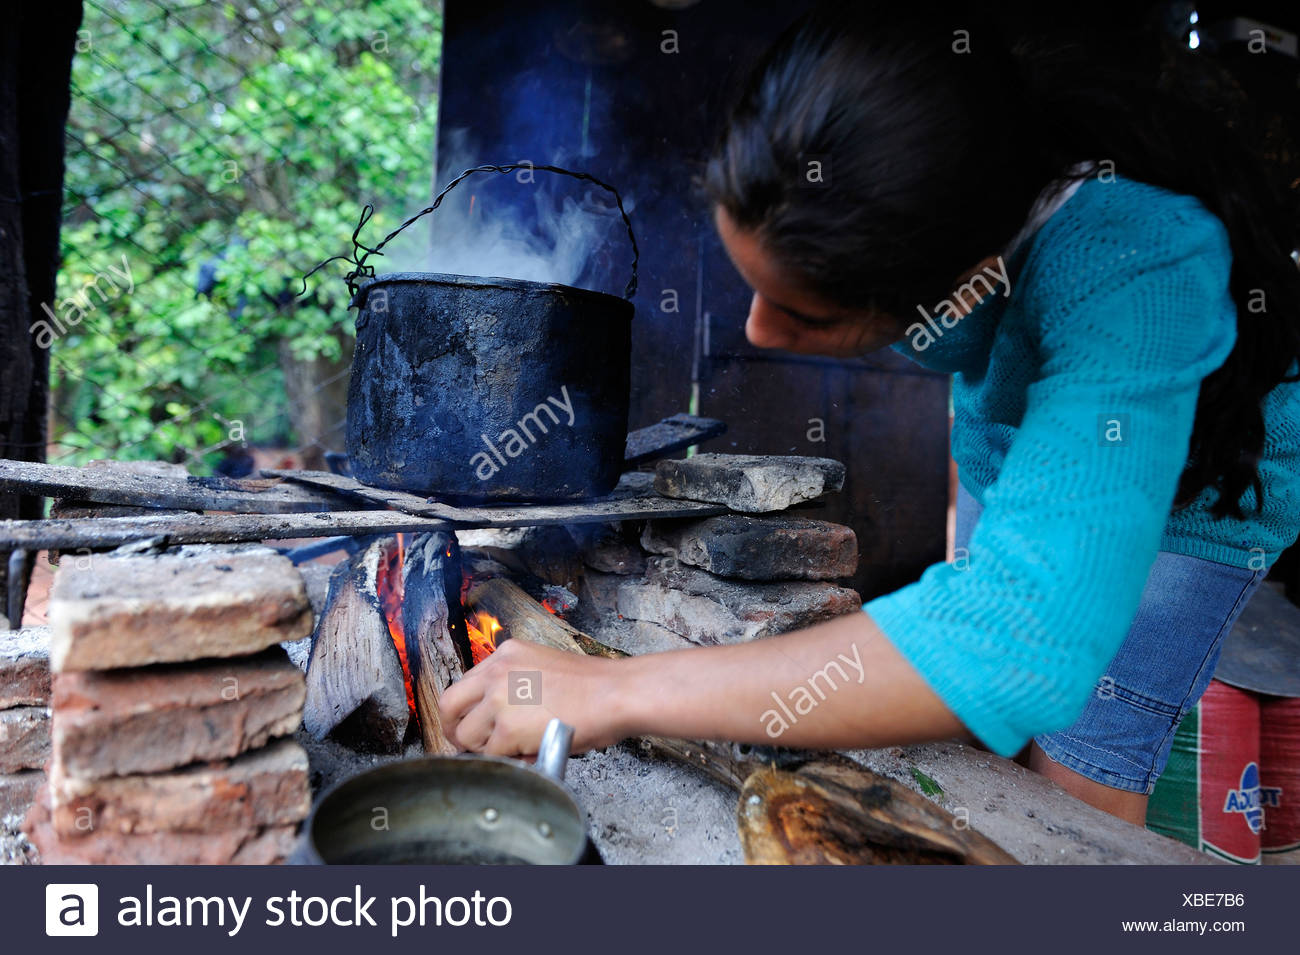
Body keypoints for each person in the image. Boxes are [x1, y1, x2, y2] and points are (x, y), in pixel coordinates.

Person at [440, 1, 1300, 826]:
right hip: (1037, 428)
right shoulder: (959, 172)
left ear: (960, 272)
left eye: (808, 315)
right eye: (757, 289)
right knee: (999, 727)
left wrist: (616, 691)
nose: (757, 332)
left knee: (1078, 772)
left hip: (1209, 475)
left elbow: (1020, 644)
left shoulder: (1134, 268)